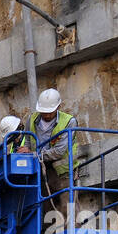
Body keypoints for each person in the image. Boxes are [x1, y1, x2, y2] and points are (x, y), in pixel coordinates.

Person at [26, 88, 79, 216]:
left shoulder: (69, 122)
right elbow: (28, 141)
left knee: (68, 207)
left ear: (58, 107)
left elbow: (59, 151)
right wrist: (25, 151)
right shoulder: (31, 120)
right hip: (41, 170)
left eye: (50, 112)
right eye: (44, 112)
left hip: (63, 171)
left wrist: (35, 155)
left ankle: (72, 232)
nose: (47, 115)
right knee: (46, 209)